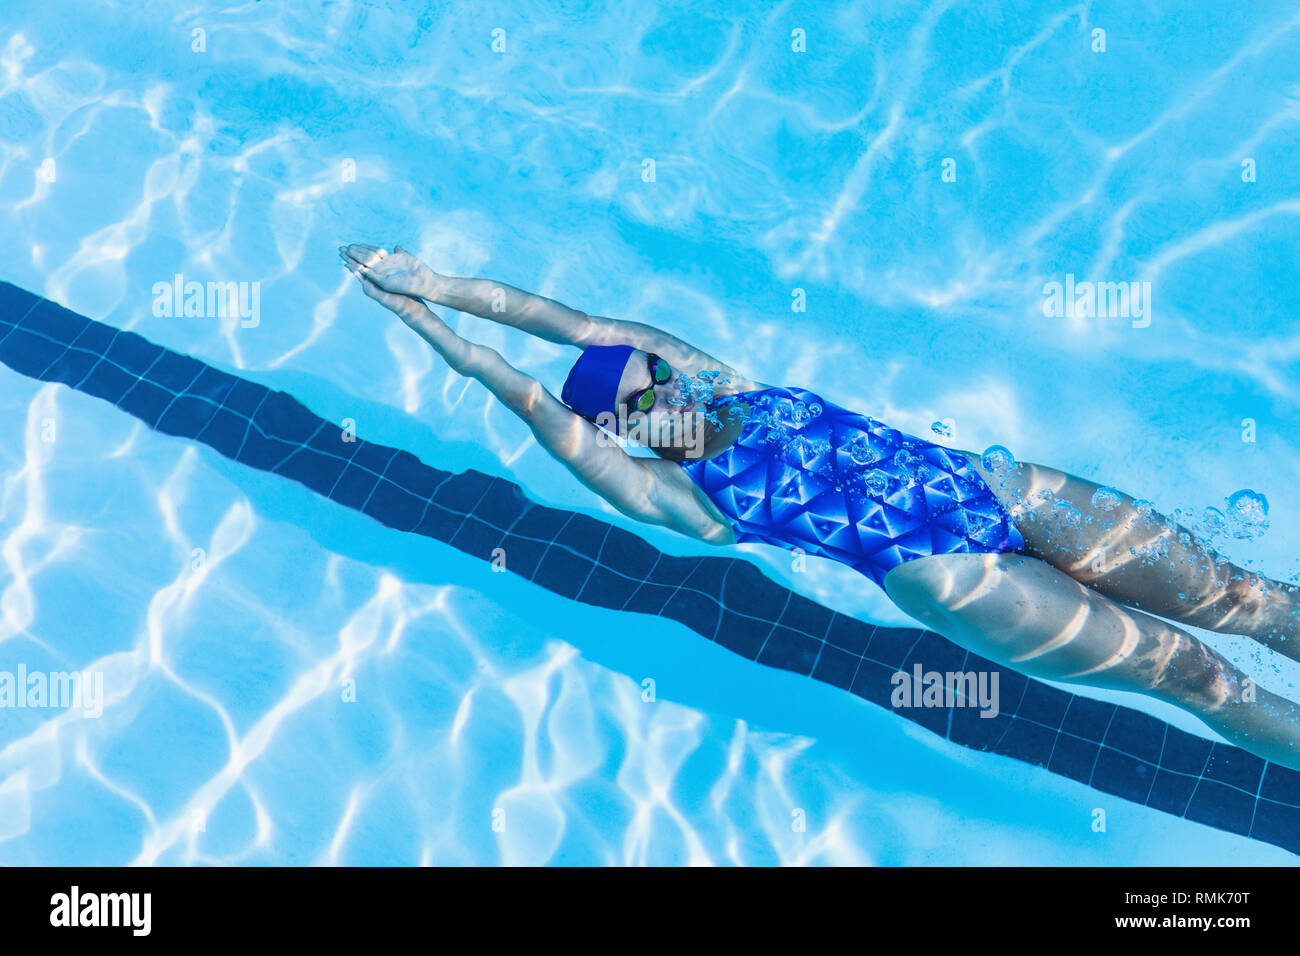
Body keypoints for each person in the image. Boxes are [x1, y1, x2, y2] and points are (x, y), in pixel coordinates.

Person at [340, 243, 1300, 771]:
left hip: (995, 487)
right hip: (953, 577)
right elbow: (521, 390)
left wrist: (437, 280)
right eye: (639, 408)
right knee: (1198, 676)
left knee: (1238, 591)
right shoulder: (676, 497)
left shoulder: (727, 383)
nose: (664, 401)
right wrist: (425, 322)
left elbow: (571, 323)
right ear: (624, 432)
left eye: (655, 378)